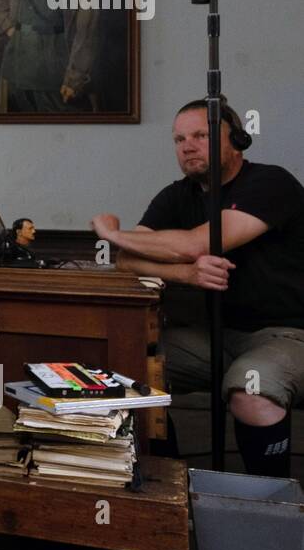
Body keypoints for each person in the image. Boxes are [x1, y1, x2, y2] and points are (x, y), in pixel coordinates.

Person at [92, 99, 304, 476]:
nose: (187, 146)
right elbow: (125, 261)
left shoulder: (271, 183)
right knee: (126, 364)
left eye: (201, 135)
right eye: (179, 139)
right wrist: (185, 276)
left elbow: (197, 244)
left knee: (250, 392)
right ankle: (167, 485)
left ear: (236, 140)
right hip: (218, 337)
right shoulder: (178, 195)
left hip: (286, 335)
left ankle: (269, 507)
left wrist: (110, 233)